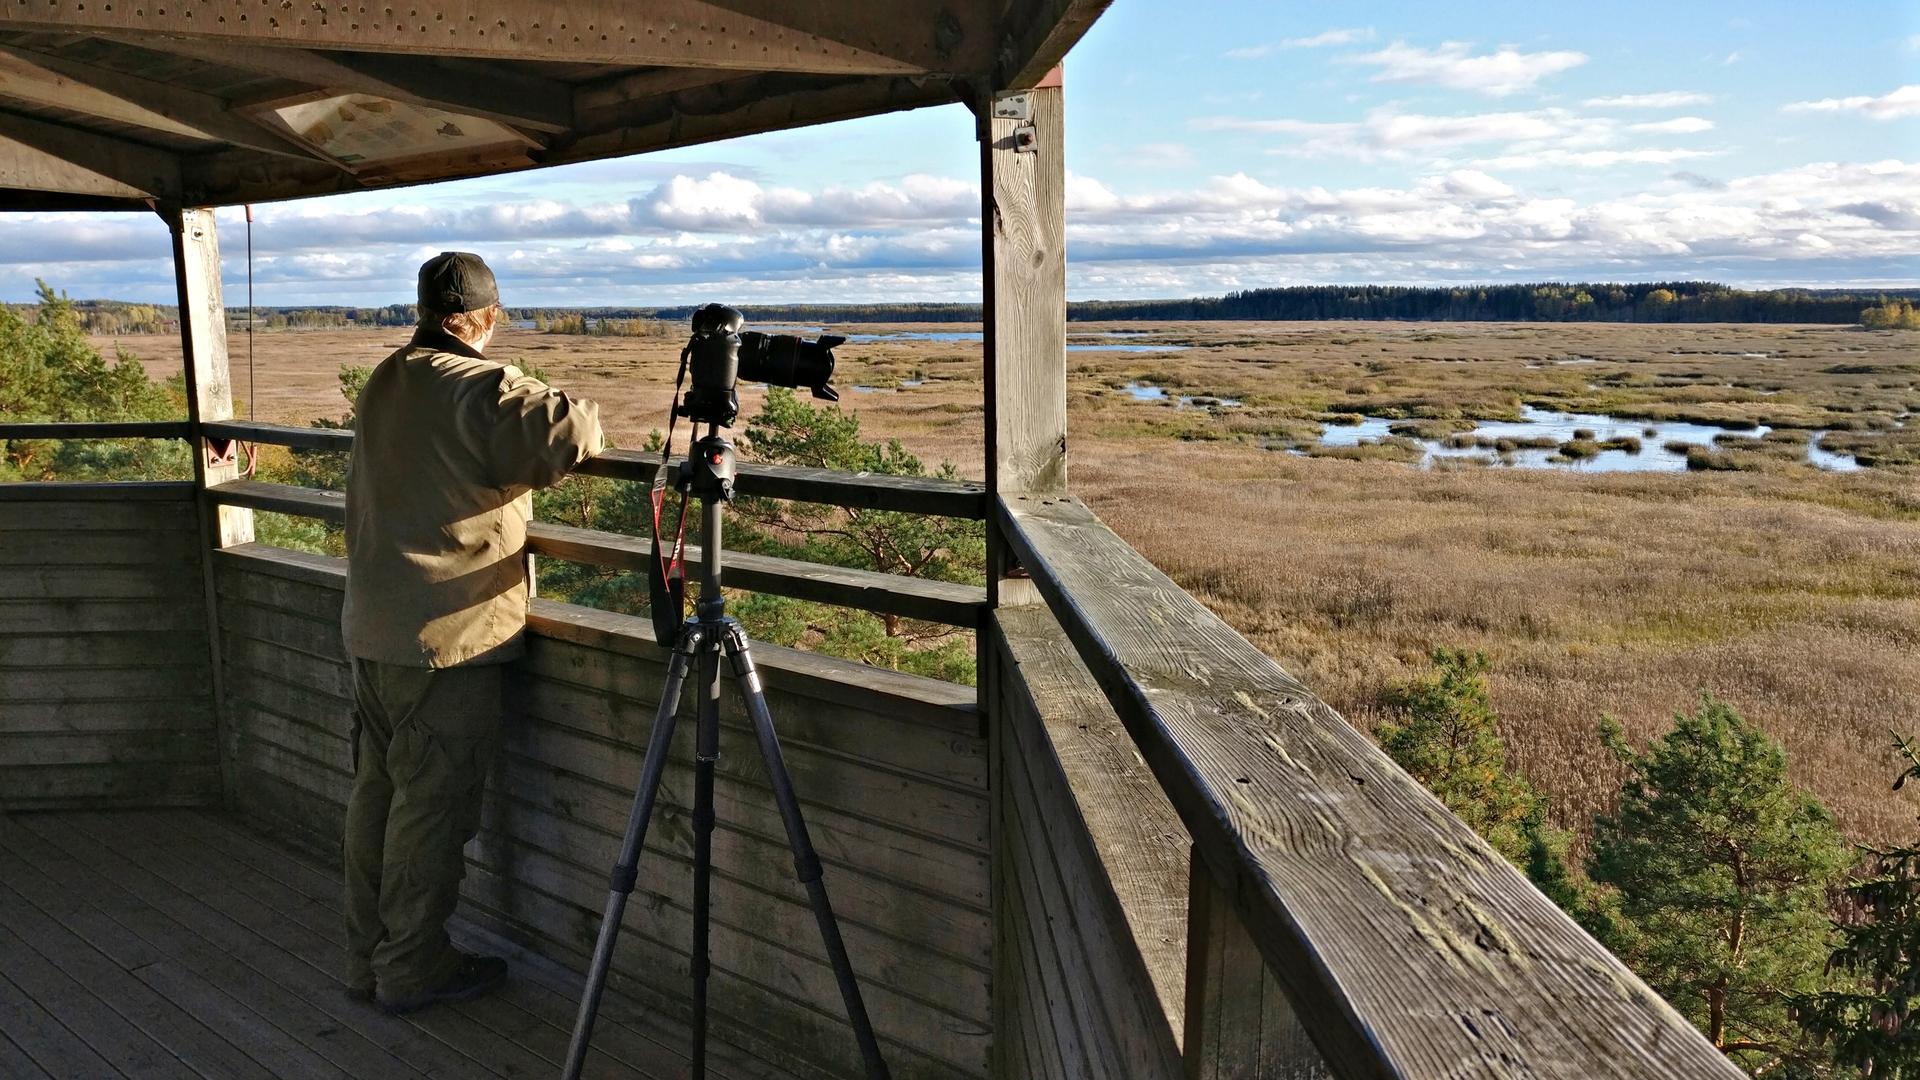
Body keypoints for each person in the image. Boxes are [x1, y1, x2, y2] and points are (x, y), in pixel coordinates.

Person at [339, 251, 603, 1014]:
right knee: (431, 809)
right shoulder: (483, 386)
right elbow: (572, 430)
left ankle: (365, 960)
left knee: (377, 798)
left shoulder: (389, 376)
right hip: (446, 639)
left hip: (374, 628)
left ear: (424, 311)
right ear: (489, 318)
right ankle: (413, 967)